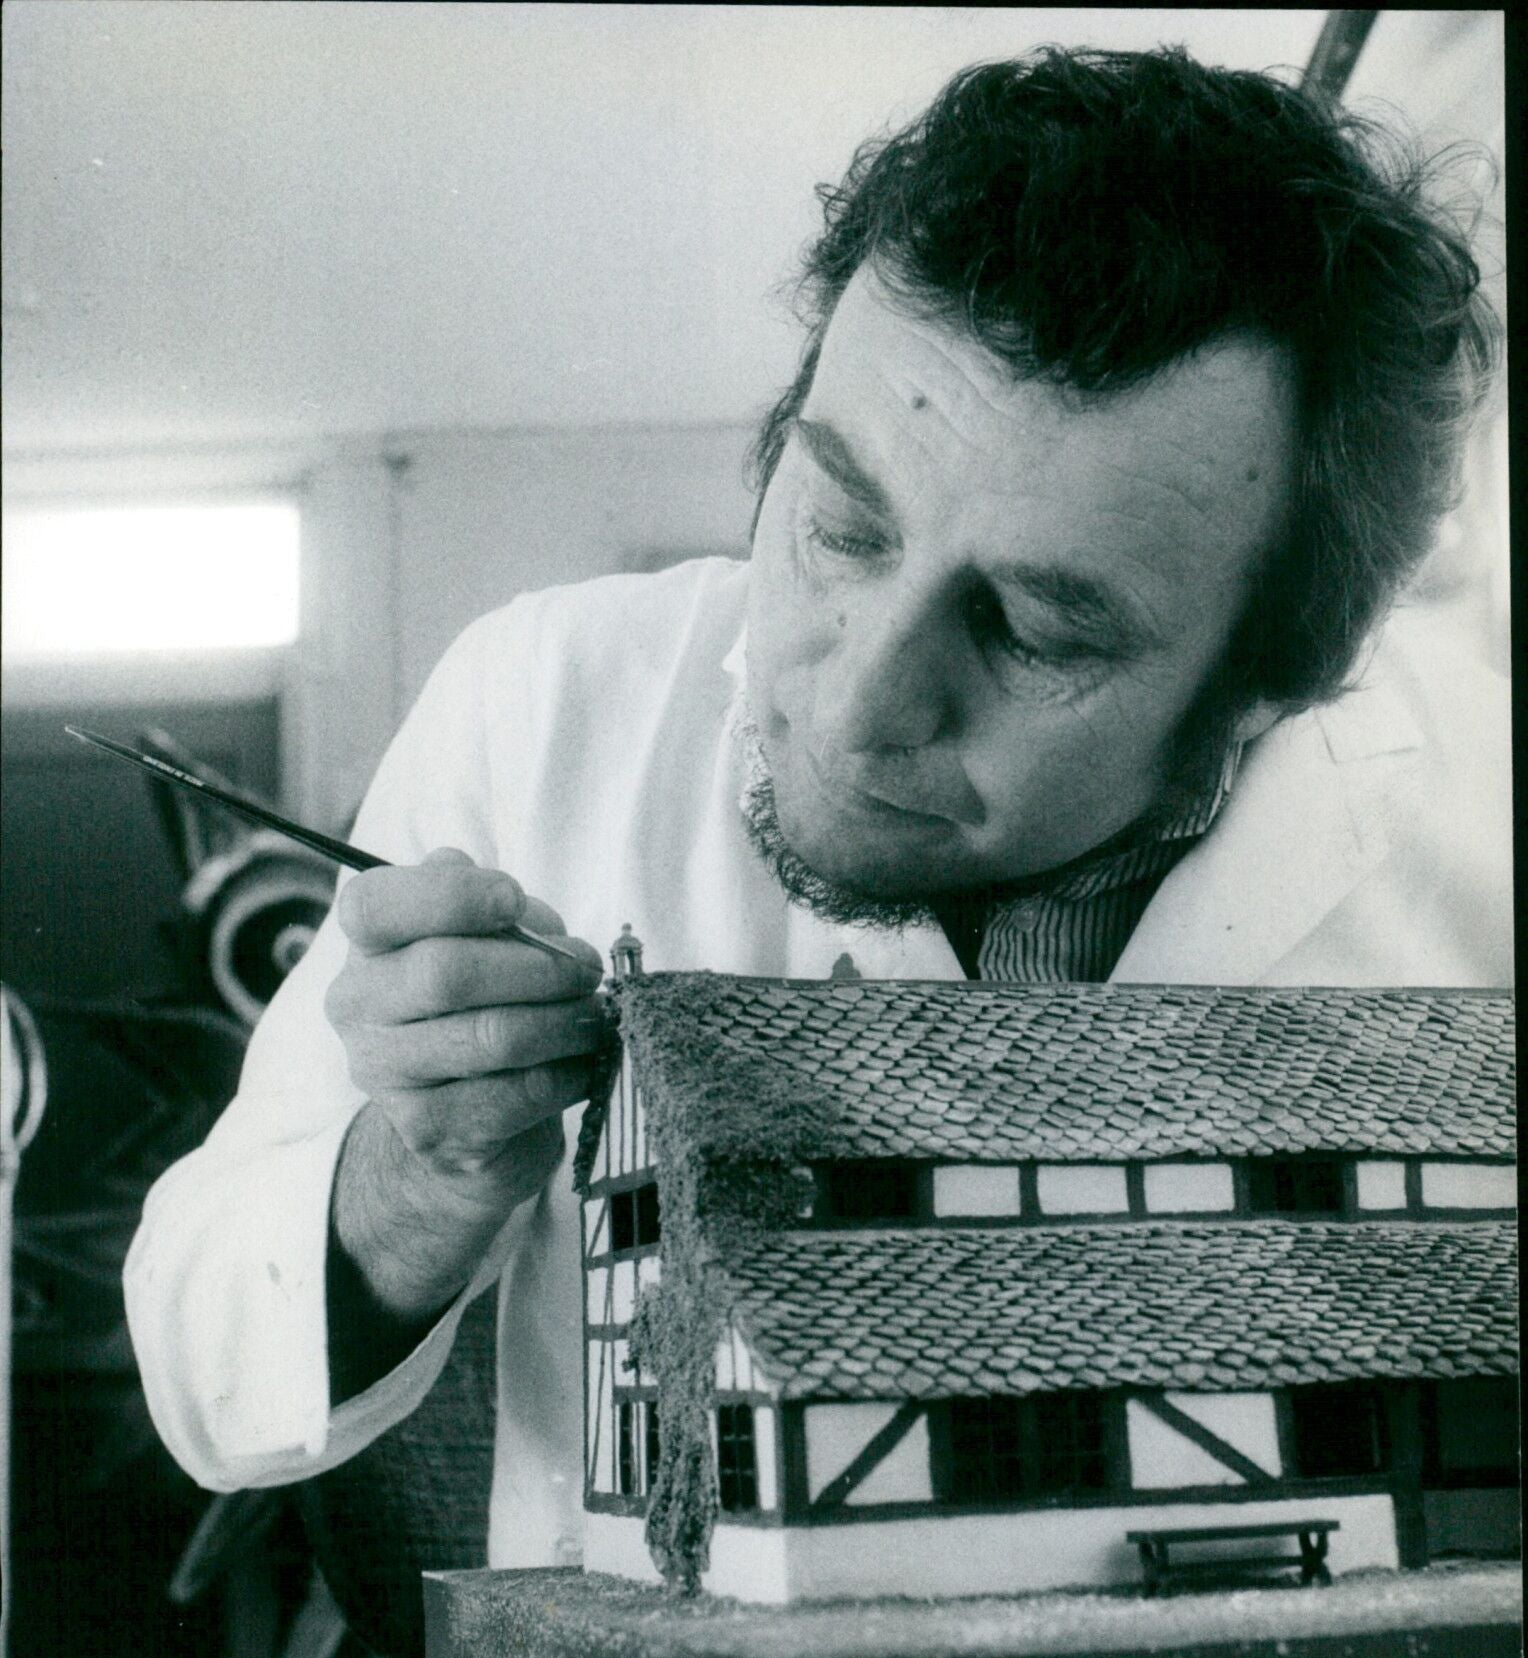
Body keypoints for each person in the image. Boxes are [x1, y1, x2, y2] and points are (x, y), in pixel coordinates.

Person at [125, 48, 1508, 1573]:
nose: (855, 707)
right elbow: (203, 1373)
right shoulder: (548, 709)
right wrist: (412, 1180)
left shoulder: (1478, 851)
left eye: (1035, 634)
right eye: (843, 522)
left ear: (1274, 685)